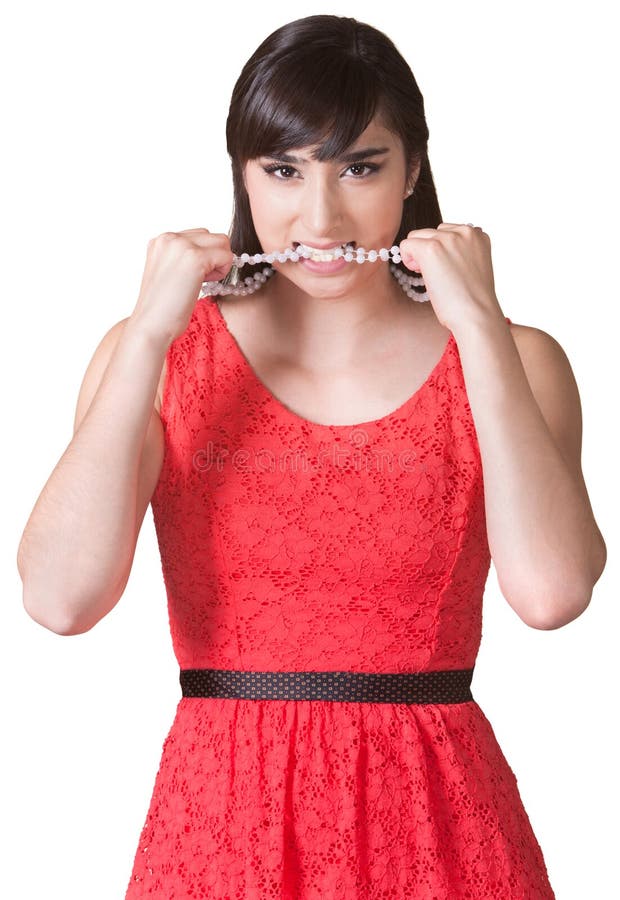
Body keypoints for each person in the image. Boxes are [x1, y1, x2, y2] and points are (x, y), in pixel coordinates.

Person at [17, 14, 606, 899]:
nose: (321, 217)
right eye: (283, 170)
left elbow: (552, 595)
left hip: (440, 834)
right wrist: (144, 336)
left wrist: (481, 327)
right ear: (242, 175)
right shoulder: (158, 358)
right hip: (223, 834)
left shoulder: (515, 359)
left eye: (360, 168)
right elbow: (60, 601)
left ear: (413, 171)